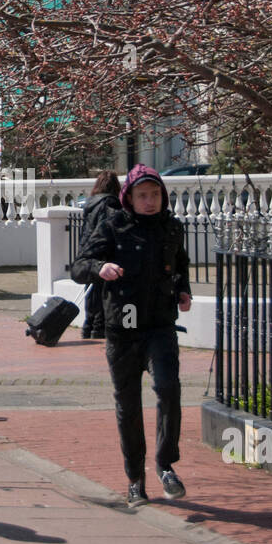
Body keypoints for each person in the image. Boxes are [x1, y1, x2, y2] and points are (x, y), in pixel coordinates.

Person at [71, 164, 192, 509]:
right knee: (128, 405)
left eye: (155, 195)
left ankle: (165, 464)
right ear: (130, 197)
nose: (150, 201)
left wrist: (183, 290)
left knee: (168, 387)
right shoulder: (113, 226)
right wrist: (100, 268)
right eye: (143, 195)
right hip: (122, 330)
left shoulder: (172, 228)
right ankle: (135, 479)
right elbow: (80, 266)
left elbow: (180, 266)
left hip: (159, 326)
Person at [79, 171, 122, 339]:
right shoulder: (110, 203)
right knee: (101, 288)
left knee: (90, 288)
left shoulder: (90, 203)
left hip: (87, 249)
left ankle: (87, 325)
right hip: (102, 251)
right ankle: (98, 327)